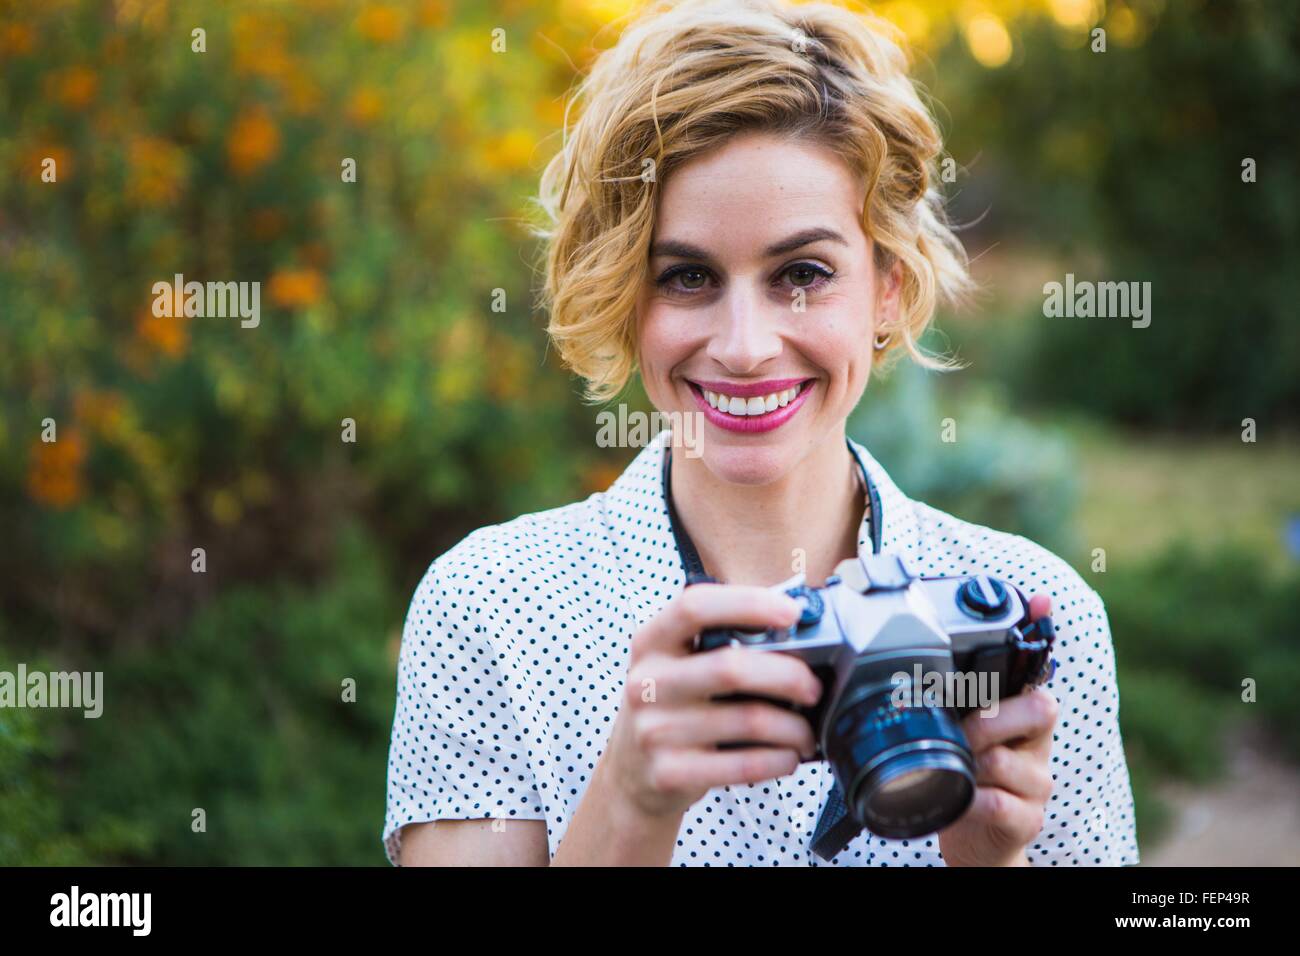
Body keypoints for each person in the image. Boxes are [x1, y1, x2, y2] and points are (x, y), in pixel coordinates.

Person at [383, 0, 1139, 866]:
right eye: (688, 276)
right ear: (625, 297)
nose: (744, 348)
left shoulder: (1042, 619)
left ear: (888, 285)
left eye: (802, 273)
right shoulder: (489, 611)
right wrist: (630, 806)